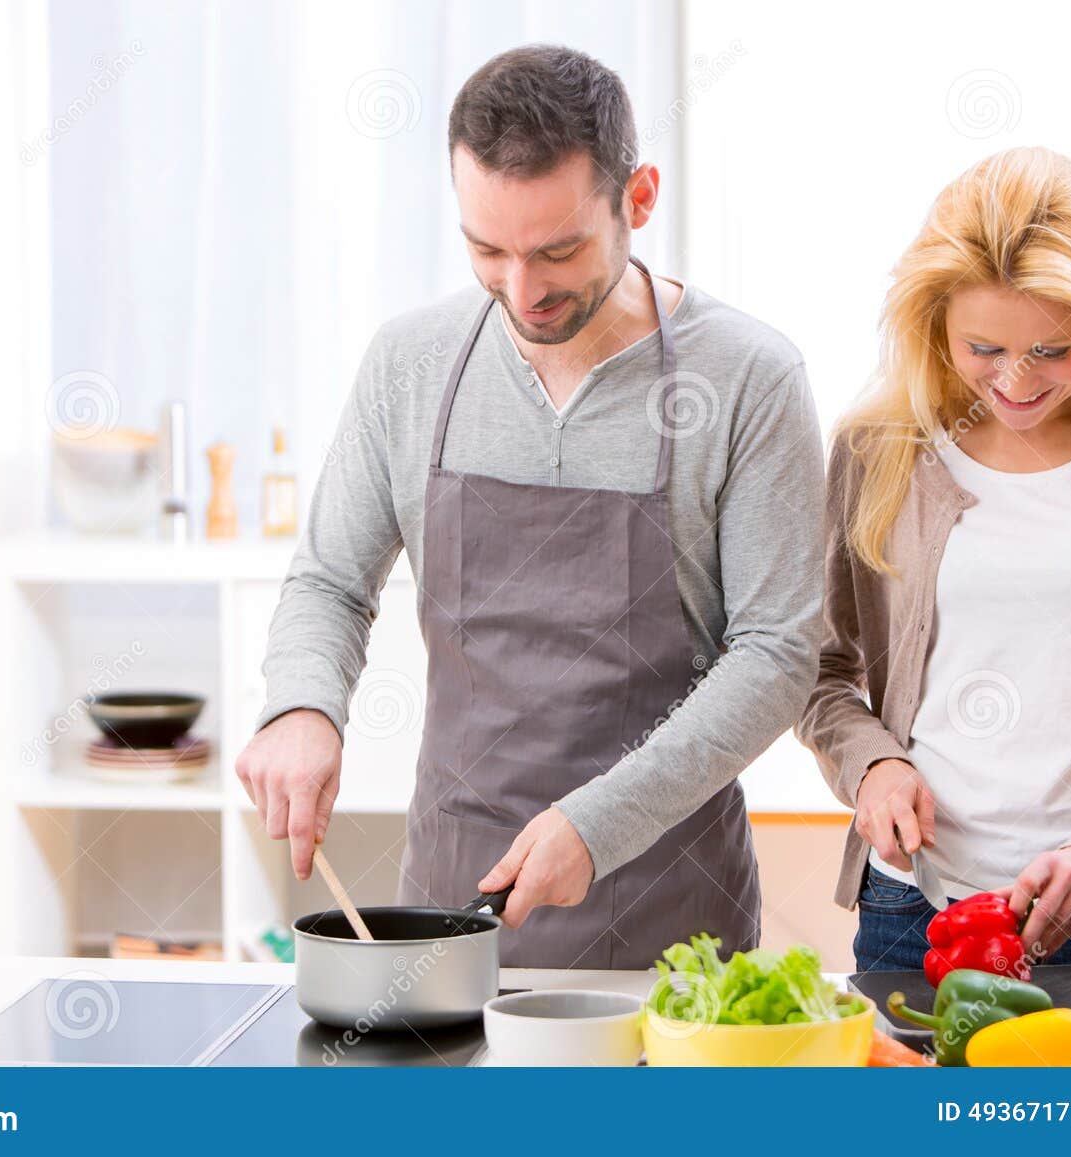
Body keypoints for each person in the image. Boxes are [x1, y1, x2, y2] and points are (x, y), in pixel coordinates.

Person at [235, 44, 826, 969]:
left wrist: (596, 824)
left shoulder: (748, 378)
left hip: (671, 920)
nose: (523, 290)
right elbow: (328, 581)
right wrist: (300, 707)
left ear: (638, 199)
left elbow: (778, 654)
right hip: (453, 912)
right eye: (486, 250)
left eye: (558, 251)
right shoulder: (412, 363)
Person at [799, 147, 1071, 972]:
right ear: (934, 324)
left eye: (1051, 350)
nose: (1016, 380)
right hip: (917, 909)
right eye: (983, 348)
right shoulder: (878, 446)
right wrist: (873, 765)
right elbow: (821, 670)